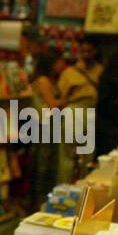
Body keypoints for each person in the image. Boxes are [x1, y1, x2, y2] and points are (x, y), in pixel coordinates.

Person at [29, 48, 69, 207]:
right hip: (45, 126)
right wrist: (65, 101)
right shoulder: (44, 81)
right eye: (59, 61)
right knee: (44, 163)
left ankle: (42, 199)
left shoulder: (48, 80)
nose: (62, 65)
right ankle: (40, 200)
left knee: (47, 161)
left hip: (48, 125)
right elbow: (52, 105)